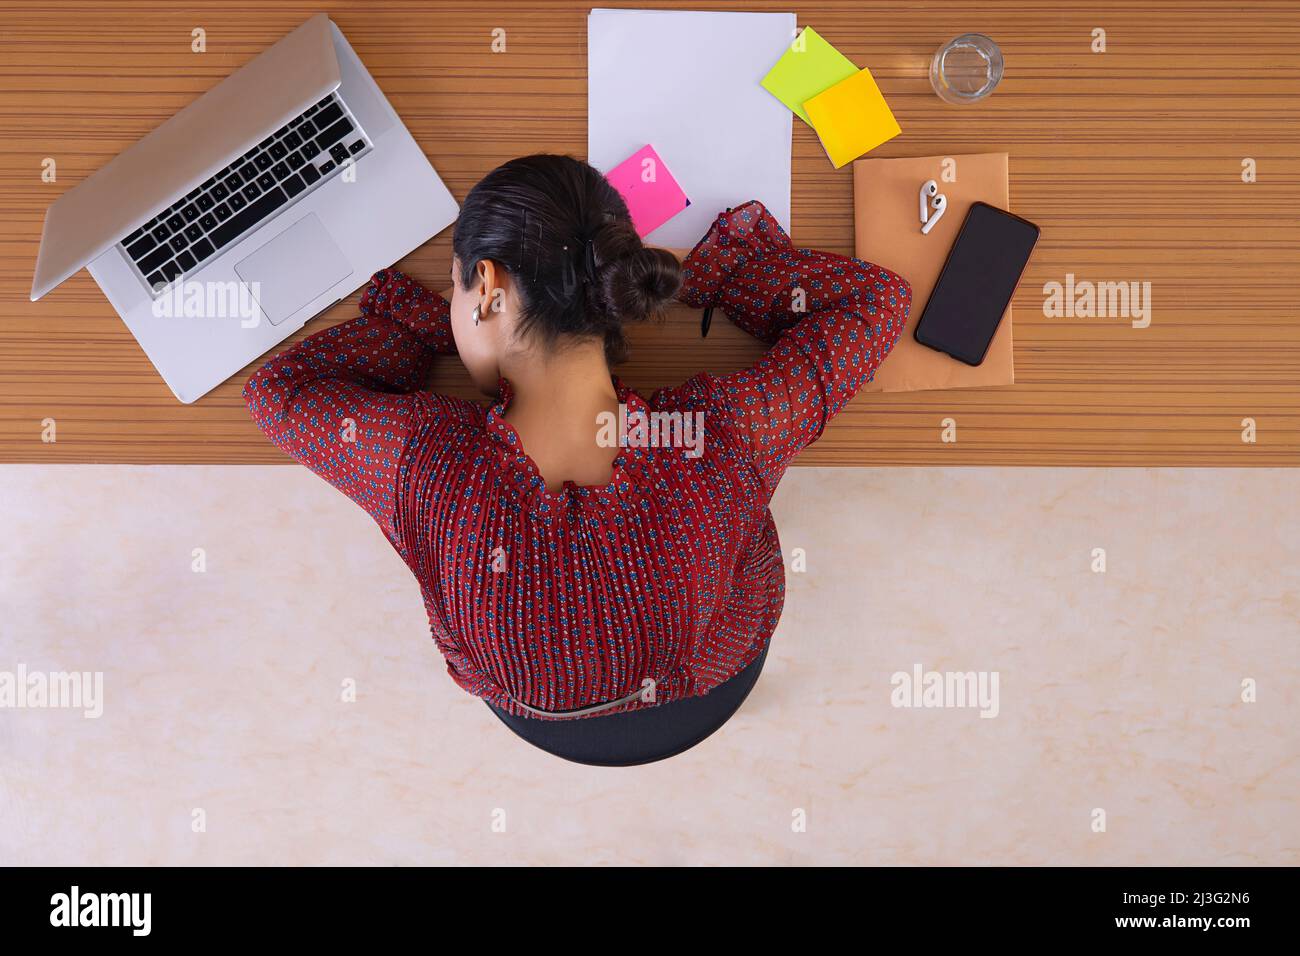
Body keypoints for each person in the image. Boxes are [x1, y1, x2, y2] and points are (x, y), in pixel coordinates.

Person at [243, 154, 911, 766]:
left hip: (532, 699)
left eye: (452, 289)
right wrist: (722, 272)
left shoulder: (421, 461)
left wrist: (408, 333)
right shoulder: (720, 440)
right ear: (615, 291)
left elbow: (278, 395)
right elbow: (878, 303)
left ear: (488, 287)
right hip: (710, 657)